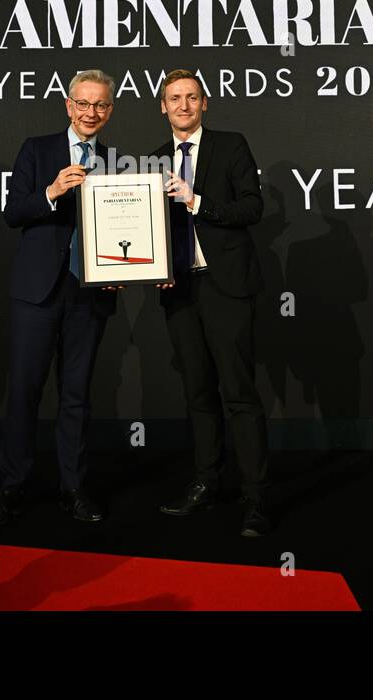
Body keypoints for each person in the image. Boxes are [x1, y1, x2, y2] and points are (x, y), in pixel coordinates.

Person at [0, 70, 120, 526]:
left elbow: (126, 229)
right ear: (67, 104)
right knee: (23, 392)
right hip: (36, 293)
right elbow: (12, 212)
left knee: (76, 396)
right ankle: (12, 486)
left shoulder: (117, 162)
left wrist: (123, 266)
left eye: (100, 105)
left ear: (110, 110)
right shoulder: (36, 149)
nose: (90, 113)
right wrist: (52, 191)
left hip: (89, 294)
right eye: (83, 103)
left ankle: (74, 488)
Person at [151, 69, 272, 537]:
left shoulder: (231, 145)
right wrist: (156, 266)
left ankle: (256, 498)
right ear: (163, 106)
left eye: (191, 97)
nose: (183, 105)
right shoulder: (157, 159)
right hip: (179, 289)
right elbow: (150, 227)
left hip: (227, 287)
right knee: (198, 393)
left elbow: (252, 208)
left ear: (205, 103)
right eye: (174, 98)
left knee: (239, 394)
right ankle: (205, 484)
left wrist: (198, 200)